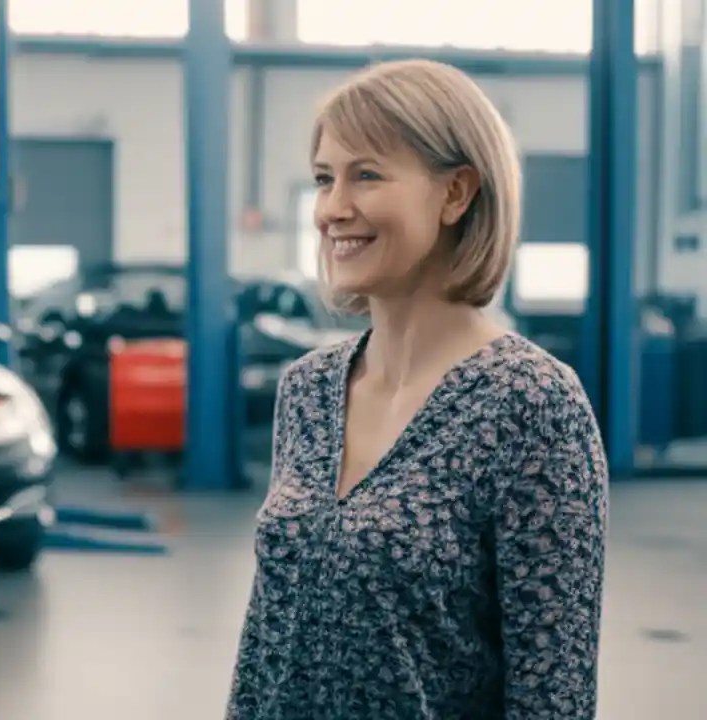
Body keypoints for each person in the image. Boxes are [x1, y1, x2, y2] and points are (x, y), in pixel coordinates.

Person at [226, 59, 609, 719]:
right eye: (324, 179)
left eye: (366, 174)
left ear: (456, 194)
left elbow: (554, 693)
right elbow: (265, 647)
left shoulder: (530, 403)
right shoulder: (310, 390)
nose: (331, 209)